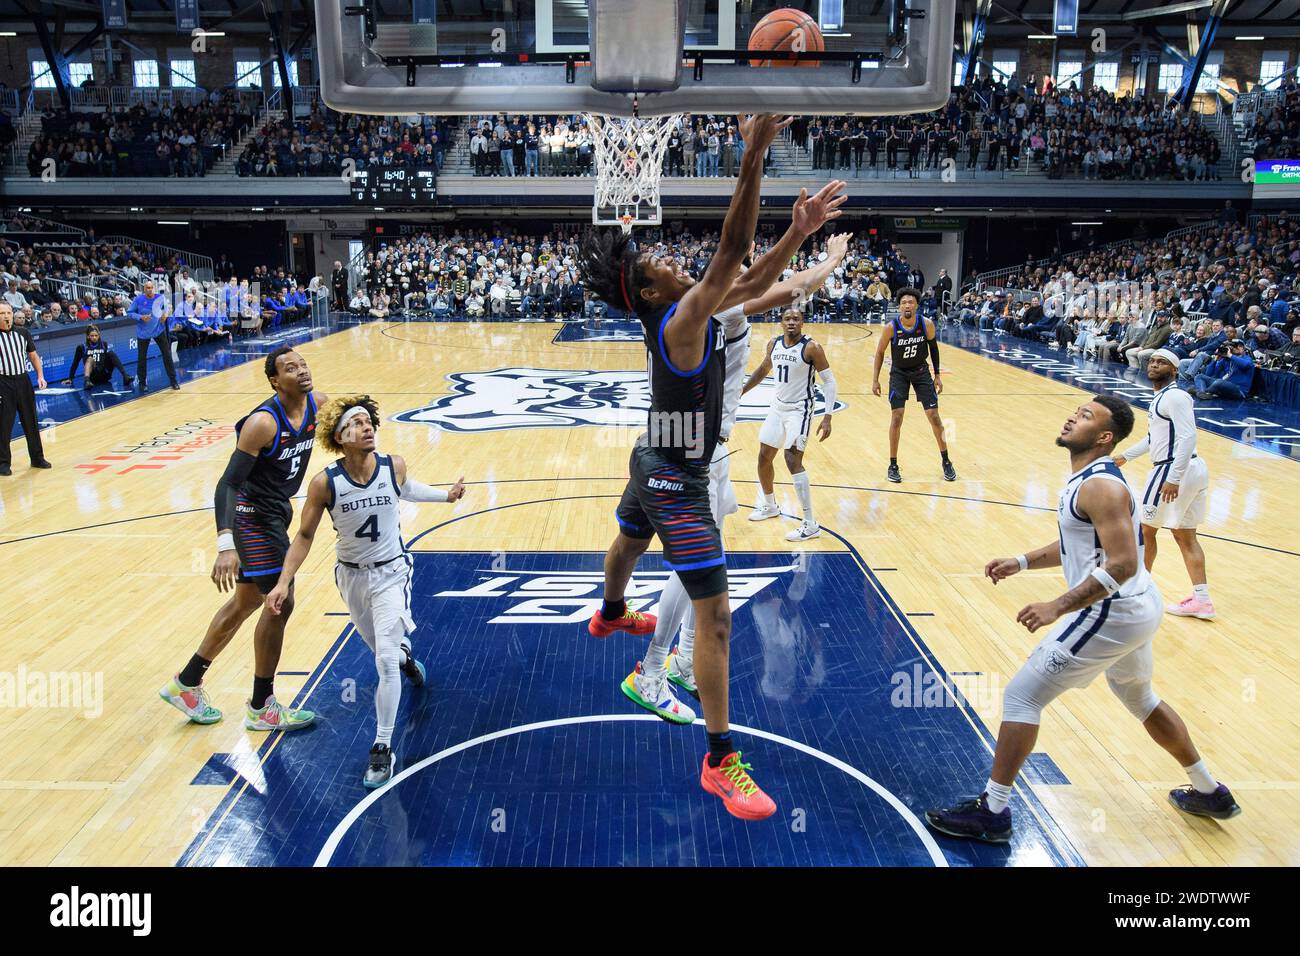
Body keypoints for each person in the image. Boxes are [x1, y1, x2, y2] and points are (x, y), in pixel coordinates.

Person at [577, 114, 841, 820]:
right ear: (657, 292)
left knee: (630, 539)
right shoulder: (685, 318)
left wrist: (799, 236)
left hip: (655, 446)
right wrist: (752, 152)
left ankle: (608, 614)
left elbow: (753, 276)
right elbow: (733, 249)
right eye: (660, 261)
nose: (671, 257)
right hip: (680, 474)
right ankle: (721, 761)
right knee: (716, 616)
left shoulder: (686, 311)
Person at [926, 397, 1241, 843]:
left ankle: (992, 811)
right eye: (1077, 410)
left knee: (1020, 697)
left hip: (1112, 611)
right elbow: (1078, 543)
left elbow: (1123, 563)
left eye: (1086, 416)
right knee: (1141, 698)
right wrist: (1021, 561)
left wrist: (1058, 605)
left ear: (1104, 437)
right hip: (1138, 607)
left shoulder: (1100, 487)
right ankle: (1210, 790)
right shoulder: (1091, 481)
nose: (1074, 415)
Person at [633, 232, 851, 725]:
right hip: (695, 456)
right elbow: (782, 286)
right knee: (697, 574)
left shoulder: (681, 309)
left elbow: (760, 278)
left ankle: (685, 660)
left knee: (708, 567)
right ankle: (650, 669)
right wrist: (829, 256)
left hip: (698, 445)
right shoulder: (716, 309)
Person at [266, 395, 466, 787]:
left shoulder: (394, 465)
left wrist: (446, 495)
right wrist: (284, 580)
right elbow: (304, 535)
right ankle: (407, 659)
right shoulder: (326, 483)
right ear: (339, 437)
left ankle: (381, 747)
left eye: (368, 421)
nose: (366, 427)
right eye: (355, 424)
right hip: (352, 578)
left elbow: (406, 489)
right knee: (384, 653)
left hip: (392, 572)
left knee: (384, 663)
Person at [158, 347, 328, 731]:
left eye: (303, 363)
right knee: (278, 604)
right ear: (274, 381)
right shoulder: (263, 423)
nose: (301, 370)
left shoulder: (319, 404)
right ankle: (260, 705)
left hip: (275, 512)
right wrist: (225, 544)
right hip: (252, 518)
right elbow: (228, 483)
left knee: (248, 600)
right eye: (290, 368)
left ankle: (185, 684)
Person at [1114, 351, 1214, 621]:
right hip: (1189, 468)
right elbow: (1154, 438)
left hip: (1173, 468)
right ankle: (1202, 601)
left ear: (1174, 369)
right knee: (1185, 535)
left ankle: (1138, 595)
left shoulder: (1176, 396)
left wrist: (1174, 476)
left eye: (1162, 362)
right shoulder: (1163, 398)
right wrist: (1125, 456)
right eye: (1152, 361)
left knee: (1145, 530)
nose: (1154, 365)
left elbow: (1188, 437)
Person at [743, 306, 838, 541]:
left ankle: (810, 523)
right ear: (781, 322)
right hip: (778, 406)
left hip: (800, 409)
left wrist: (827, 417)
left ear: (802, 323)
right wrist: (741, 391)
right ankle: (770, 505)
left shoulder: (812, 347)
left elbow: (830, 382)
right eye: (787, 318)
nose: (792, 322)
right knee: (764, 455)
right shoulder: (773, 344)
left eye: (796, 318)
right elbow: (764, 368)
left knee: (792, 459)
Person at [873, 287, 955, 483]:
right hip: (899, 374)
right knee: (897, 417)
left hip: (921, 372)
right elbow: (879, 353)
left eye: (910, 302)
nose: (907, 305)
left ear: (916, 305)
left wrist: (937, 375)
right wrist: (875, 379)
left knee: (934, 416)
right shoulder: (891, 327)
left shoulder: (926, 324)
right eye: (903, 303)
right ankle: (893, 464)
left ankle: (946, 460)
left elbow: (934, 349)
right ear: (899, 306)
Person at [0, 302, 51, 476]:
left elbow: (33, 355)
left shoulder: (23, 333)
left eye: (8, 312)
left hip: (23, 380)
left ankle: (37, 458)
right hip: (2, 382)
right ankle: (3, 464)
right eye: (2, 313)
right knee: (4, 425)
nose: (6, 316)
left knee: (31, 421)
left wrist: (40, 375)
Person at [130, 278, 179, 391]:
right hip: (143, 333)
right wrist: (140, 317)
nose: (150, 290)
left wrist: (166, 314)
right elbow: (130, 312)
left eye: (152, 287)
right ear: (144, 289)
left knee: (167, 355)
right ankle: (142, 383)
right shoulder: (138, 300)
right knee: (142, 358)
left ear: (154, 289)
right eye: (148, 288)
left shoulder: (160, 298)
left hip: (158, 330)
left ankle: (173, 381)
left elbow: (167, 308)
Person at [66, 324, 133, 389]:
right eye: (92, 336)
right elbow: (75, 363)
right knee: (90, 359)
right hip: (93, 377)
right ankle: (86, 382)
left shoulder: (104, 344)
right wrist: (70, 378)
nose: (94, 337)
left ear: (99, 335)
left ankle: (125, 376)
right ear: (88, 336)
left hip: (104, 374)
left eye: (96, 335)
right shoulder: (82, 347)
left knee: (111, 353)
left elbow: (110, 360)